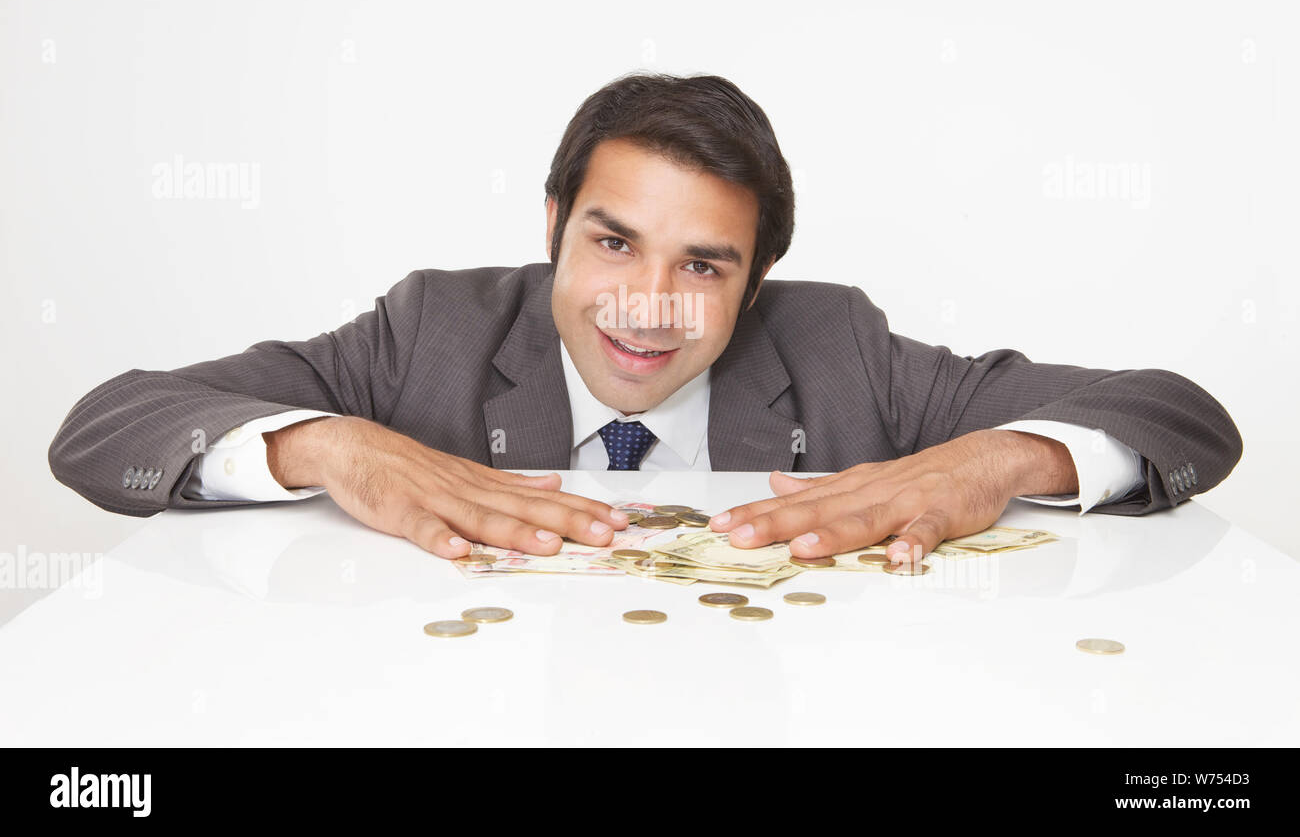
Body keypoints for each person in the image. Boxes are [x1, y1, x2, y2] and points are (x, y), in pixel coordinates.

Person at [47, 73, 1243, 567]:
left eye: (704, 265)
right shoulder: (430, 330)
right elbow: (108, 425)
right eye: (612, 240)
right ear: (555, 220)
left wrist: (1000, 456)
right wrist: (329, 442)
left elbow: (1175, 413)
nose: (645, 303)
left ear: (758, 280)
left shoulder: (840, 350)